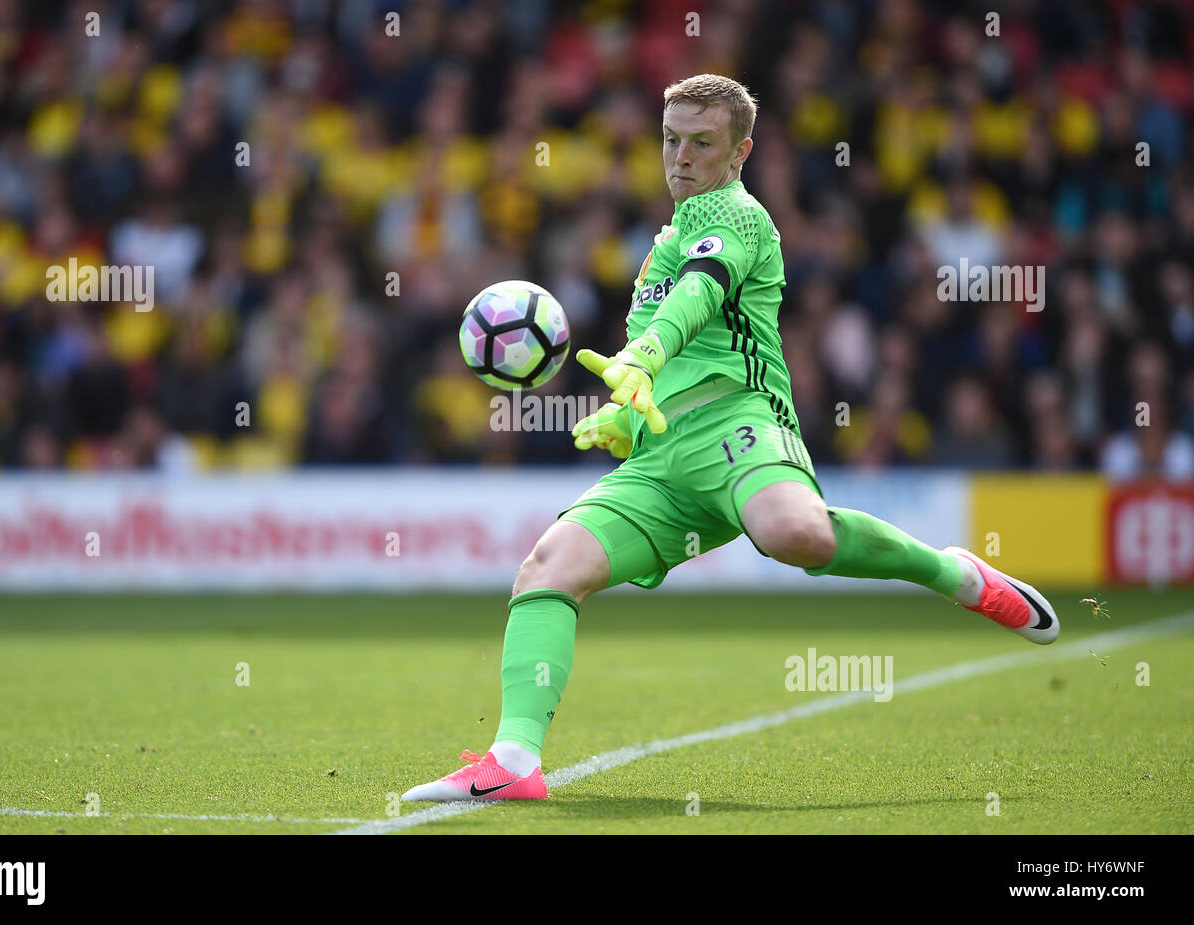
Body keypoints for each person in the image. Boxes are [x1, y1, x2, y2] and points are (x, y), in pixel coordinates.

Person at [402, 75, 1058, 803]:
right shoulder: (658, 246)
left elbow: (701, 293)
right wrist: (624, 415)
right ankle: (516, 760)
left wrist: (643, 356)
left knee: (793, 534)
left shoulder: (739, 218)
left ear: (740, 151)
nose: (680, 157)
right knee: (548, 564)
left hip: (741, 423)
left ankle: (956, 575)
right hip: (662, 456)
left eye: (701, 143)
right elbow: (671, 345)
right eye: (670, 139)